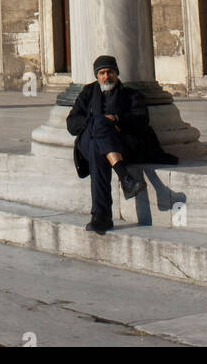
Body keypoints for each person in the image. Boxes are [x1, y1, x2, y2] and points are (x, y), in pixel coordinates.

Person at [66, 54, 178, 235]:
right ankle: (124, 178)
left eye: (109, 72)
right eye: (101, 73)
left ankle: (101, 216)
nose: (106, 76)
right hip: (88, 141)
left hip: (121, 143)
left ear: (116, 73)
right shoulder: (87, 93)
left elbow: (141, 121)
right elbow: (71, 123)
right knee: (98, 124)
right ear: (97, 76)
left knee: (97, 147)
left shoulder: (131, 95)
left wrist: (118, 120)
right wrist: (94, 123)